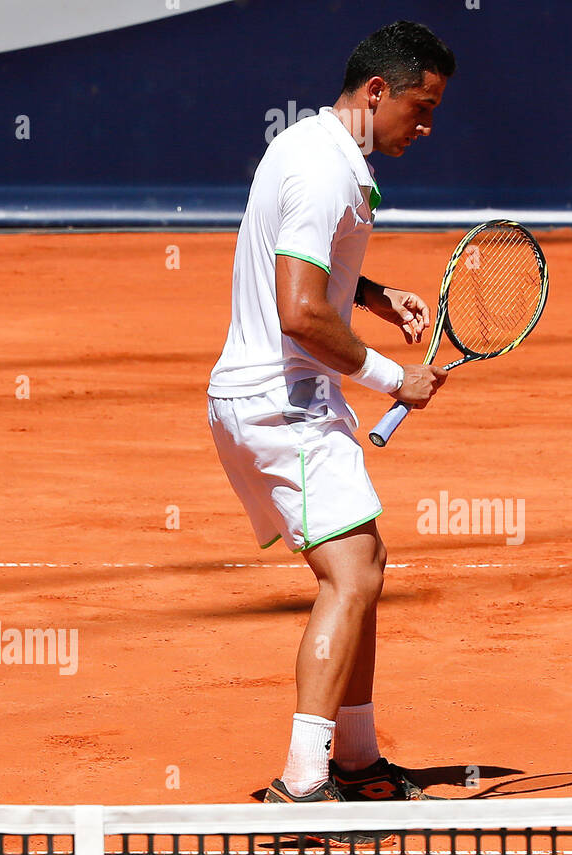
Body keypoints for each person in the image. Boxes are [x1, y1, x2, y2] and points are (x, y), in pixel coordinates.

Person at [208, 21, 456, 807]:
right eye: (419, 107)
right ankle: (304, 781)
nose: (426, 126)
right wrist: (393, 377)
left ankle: (356, 761)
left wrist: (376, 297)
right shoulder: (326, 173)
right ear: (376, 91)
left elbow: (313, 276)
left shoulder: (313, 148)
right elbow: (299, 313)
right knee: (352, 575)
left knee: (363, 568)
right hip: (284, 407)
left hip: (261, 401)